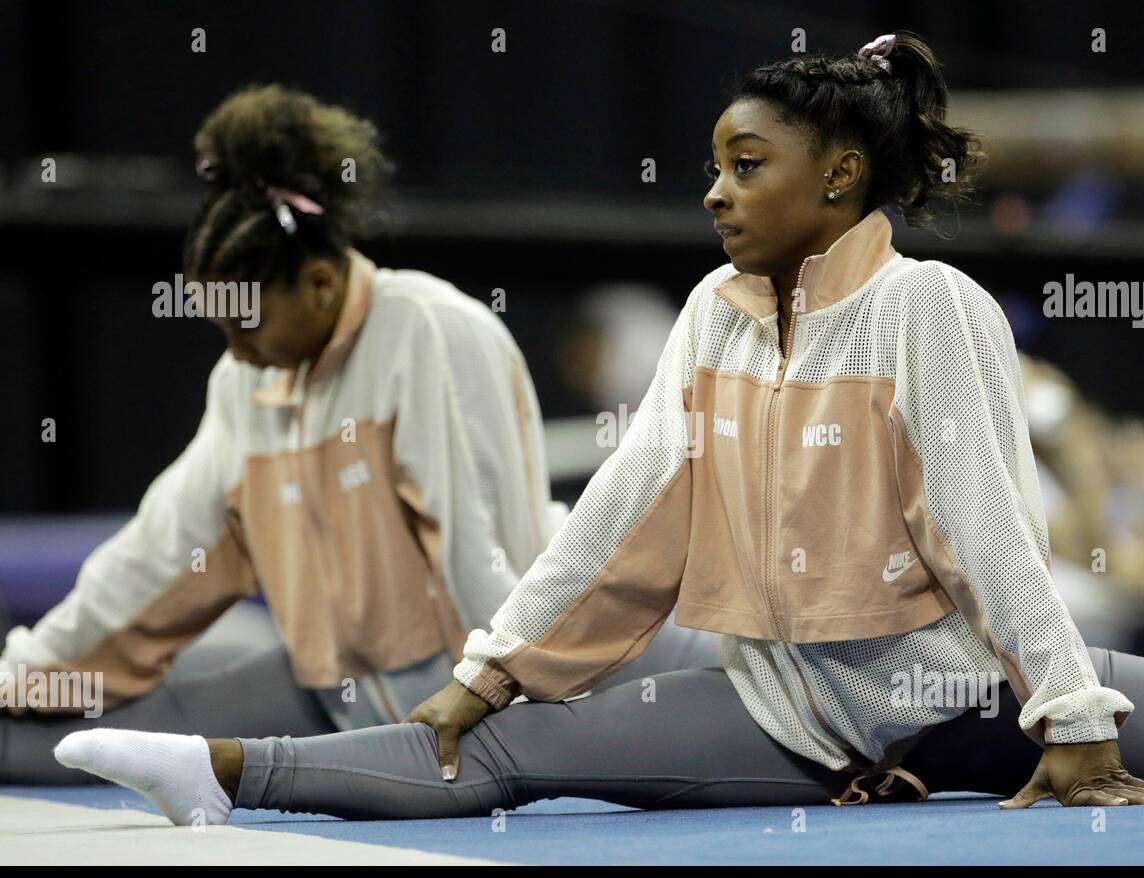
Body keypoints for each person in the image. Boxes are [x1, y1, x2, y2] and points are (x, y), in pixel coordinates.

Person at [54, 36, 1144, 821]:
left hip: (982, 694)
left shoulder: (926, 307)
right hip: (792, 713)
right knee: (500, 754)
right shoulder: (714, 315)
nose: (712, 190)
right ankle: (221, 772)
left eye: (744, 164)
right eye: (711, 165)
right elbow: (622, 519)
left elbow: (992, 533)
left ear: (838, 177)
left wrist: (1074, 721)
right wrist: (490, 672)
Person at [1, 85, 716, 784]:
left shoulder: (430, 333)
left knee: (752, 705)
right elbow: (154, 560)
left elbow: (485, 561)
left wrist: (492, 704)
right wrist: (29, 676)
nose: (235, 348)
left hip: (521, 674)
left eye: (246, 323)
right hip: (336, 692)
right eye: (218, 325)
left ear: (318, 284)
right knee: (67, 743)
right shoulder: (243, 383)